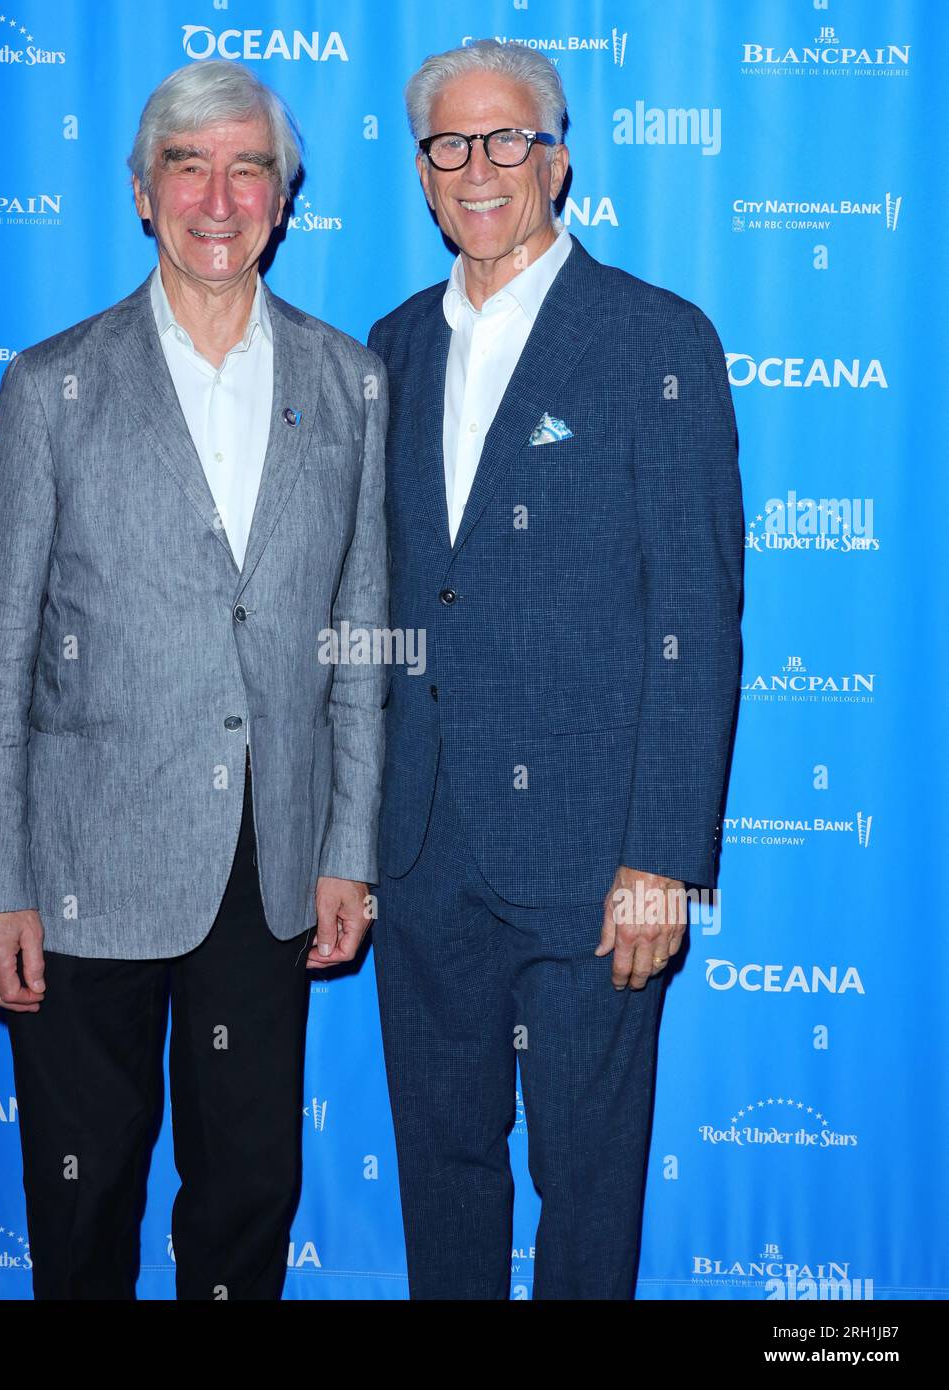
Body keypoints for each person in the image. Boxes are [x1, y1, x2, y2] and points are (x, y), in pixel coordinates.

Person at [0, 59, 387, 1300]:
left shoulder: (349, 384)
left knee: (251, 1190)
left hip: (270, 866)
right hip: (81, 869)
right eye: (188, 166)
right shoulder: (50, 388)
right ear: (143, 193)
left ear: (284, 198)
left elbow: (360, 636)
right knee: (83, 1201)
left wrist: (347, 847)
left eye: (249, 166)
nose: (218, 196)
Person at [368, 38, 743, 1299]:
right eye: (450, 147)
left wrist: (664, 857)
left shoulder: (654, 337)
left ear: (560, 159)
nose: (480, 171)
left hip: (595, 861)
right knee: (442, 1172)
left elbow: (696, 618)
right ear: (424, 175)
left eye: (508, 139)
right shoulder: (391, 349)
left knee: (589, 1187)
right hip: (419, 852)